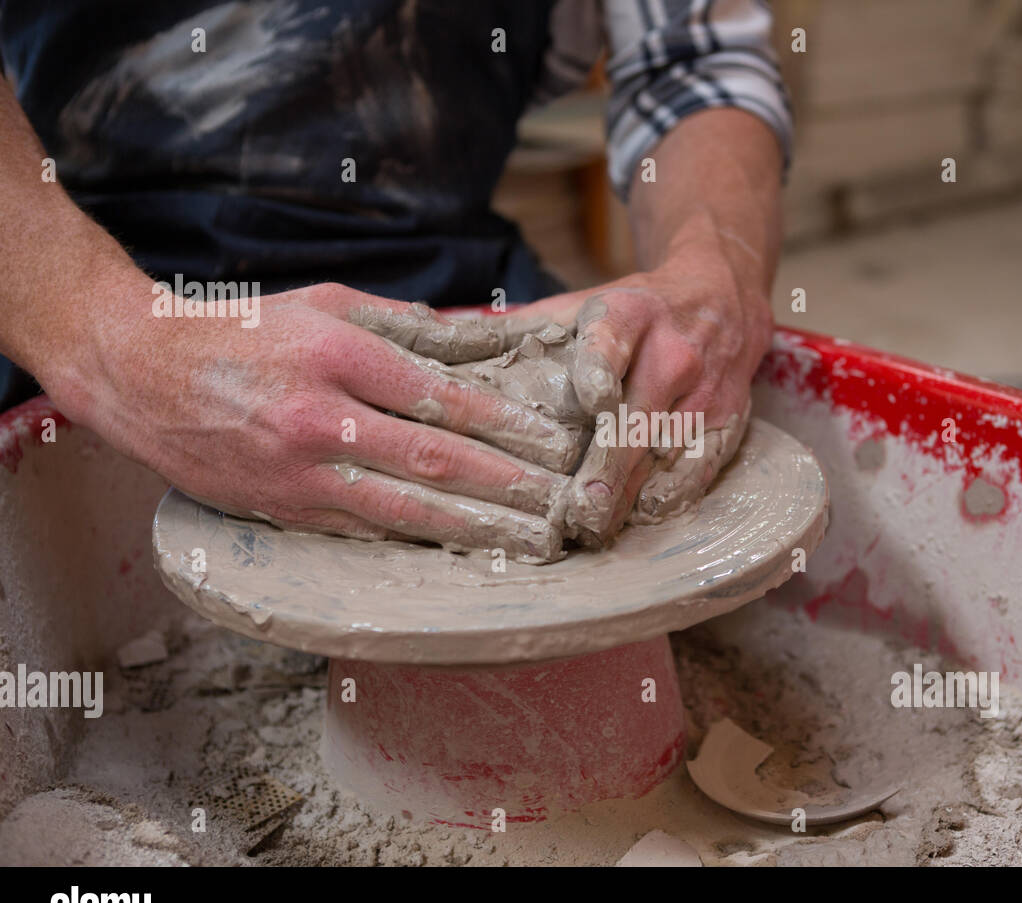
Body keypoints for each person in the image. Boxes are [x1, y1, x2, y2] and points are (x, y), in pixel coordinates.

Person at [0, 0, 791, 554]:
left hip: (448, 279)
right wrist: (117, 343)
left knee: (647, 459)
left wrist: (714, 272)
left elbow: (691, 64)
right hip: (84, 281)